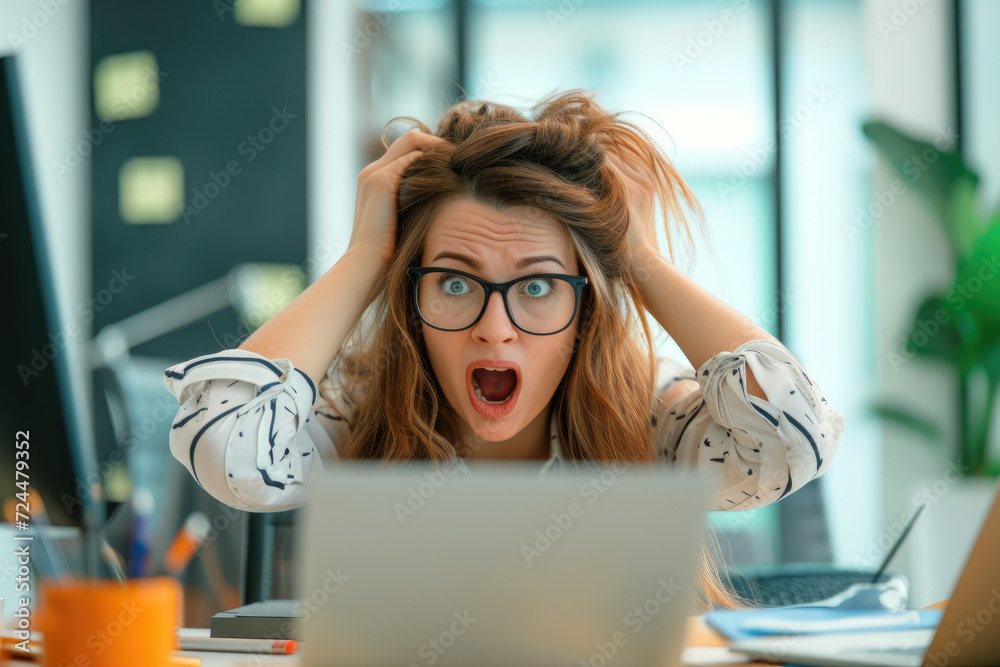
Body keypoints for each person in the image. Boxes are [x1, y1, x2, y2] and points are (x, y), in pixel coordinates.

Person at [164, 89, 845, 611]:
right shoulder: (360, 412)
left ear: (584, 310)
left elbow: (797, 437)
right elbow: (228, 444)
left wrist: (636, 259)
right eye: (455, 282)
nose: (495, 327)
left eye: (540, 285)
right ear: (413, 299)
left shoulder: (647, 412)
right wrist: (366, 256)